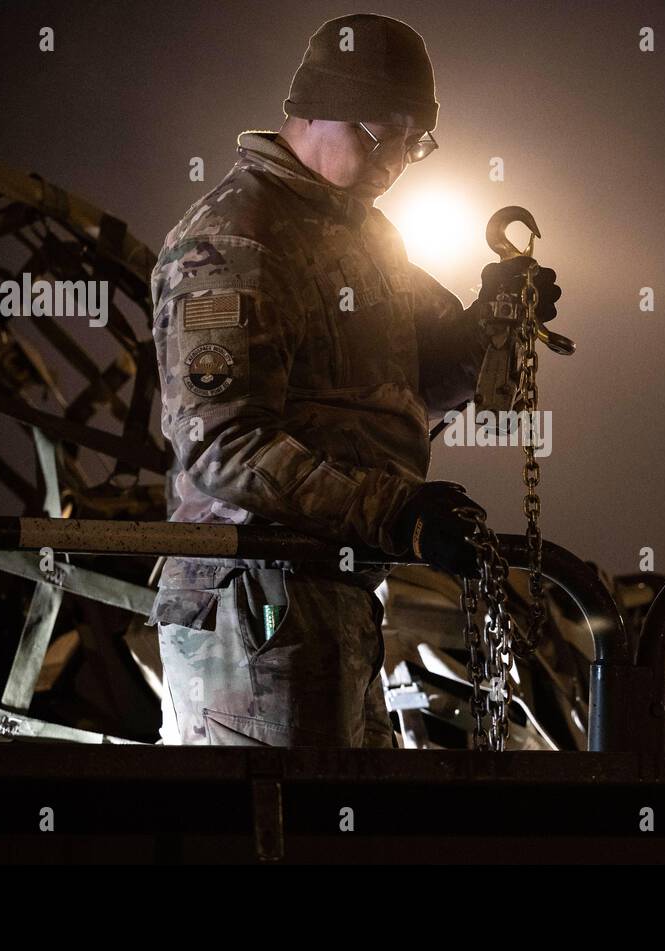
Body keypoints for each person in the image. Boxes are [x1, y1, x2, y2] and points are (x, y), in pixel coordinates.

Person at [145, 13, 560, 748]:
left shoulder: (367, 237)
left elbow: (414, 385)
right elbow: (223, 447)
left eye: (416, 140)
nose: (401, 156)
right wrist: (395, 513)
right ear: (317, 108)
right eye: (384, 132)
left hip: (334, 592)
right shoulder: (231, 241)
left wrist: (487, 326)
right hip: (253, 606)